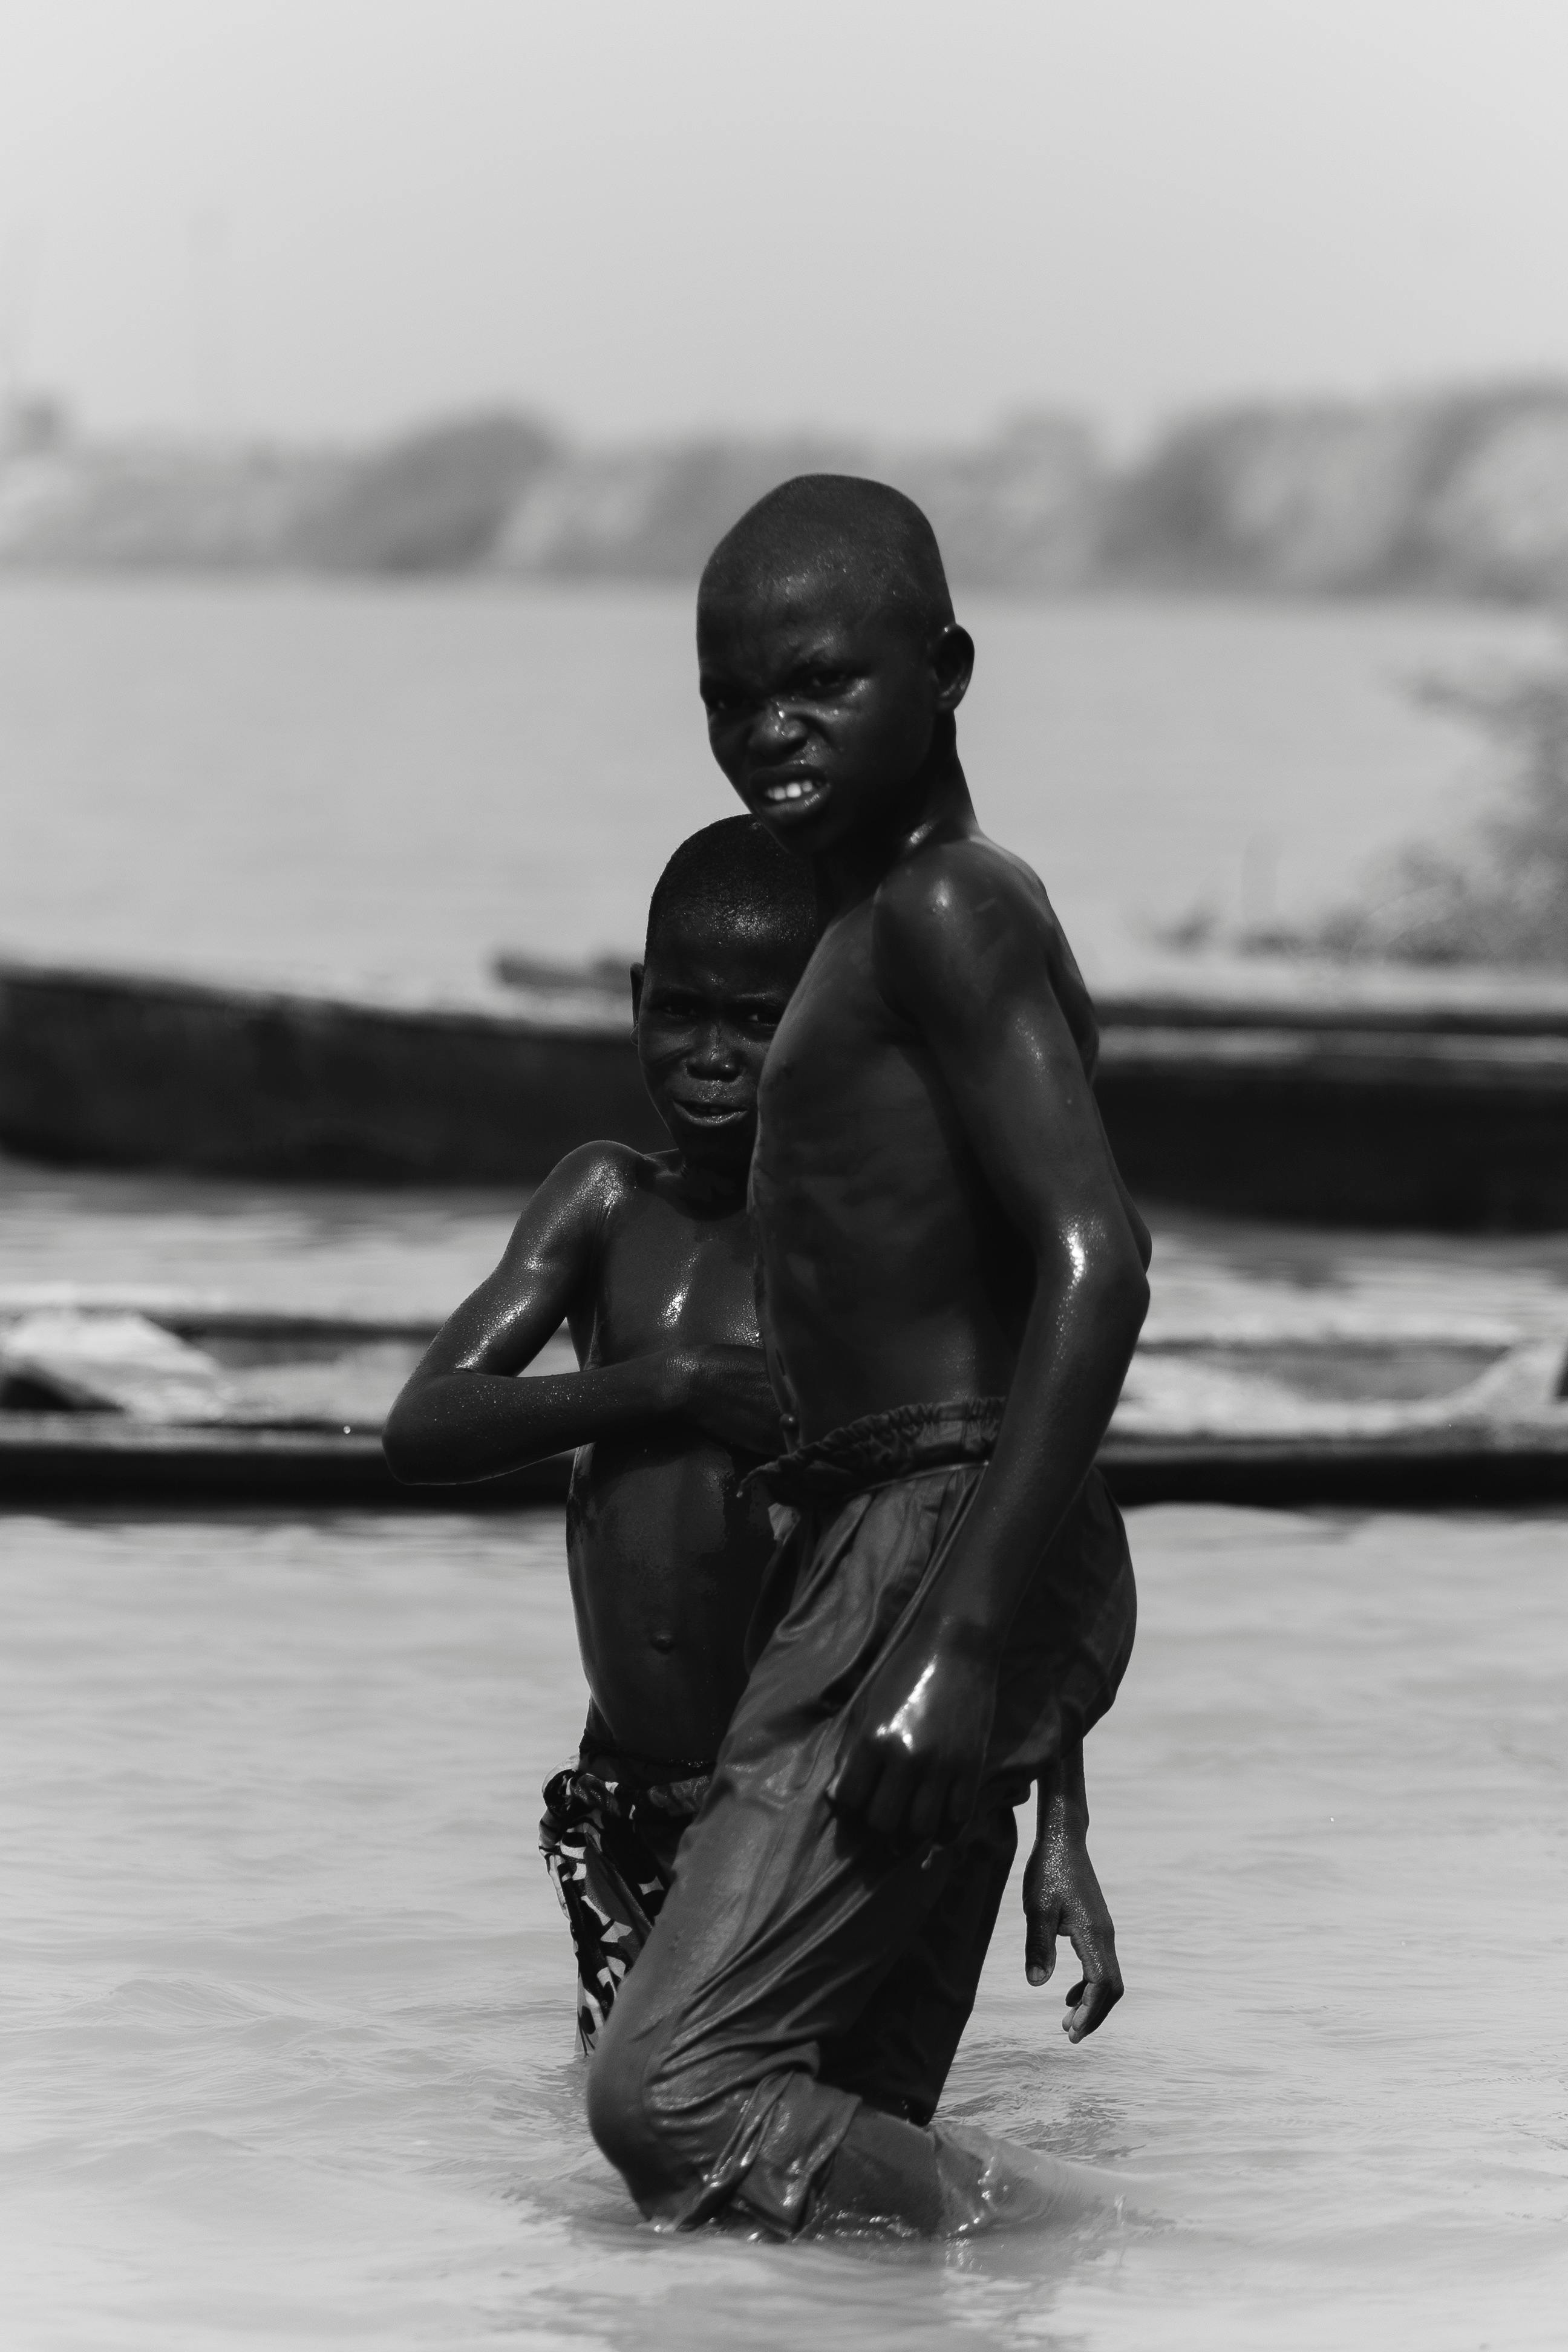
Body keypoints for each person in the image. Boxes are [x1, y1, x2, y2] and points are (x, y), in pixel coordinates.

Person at [586, 476, 1152, 2236]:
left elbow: (1095, 1261)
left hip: (926, 1551)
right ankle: (1007, 2294)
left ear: (947, 669)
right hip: (894, 1540)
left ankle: (1096, 2261)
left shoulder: (947, 914)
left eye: (821, 683)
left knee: (670, 2097)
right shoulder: (855, 940)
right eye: (732, 698)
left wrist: (964, 1648)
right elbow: (987, 1293)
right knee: (836, 2128)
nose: (770, 731)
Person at [382, 817, 823, 2050]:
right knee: (625, 2138)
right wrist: (667, 1385)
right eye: (680, 1013)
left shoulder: (838, 1239)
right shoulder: (603, 1199)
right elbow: (425, 1425)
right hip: (622, 1781)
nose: (712, 1056)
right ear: (635, 1000)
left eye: (757, 1019)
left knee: (720, 2105)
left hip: (780, 1794)